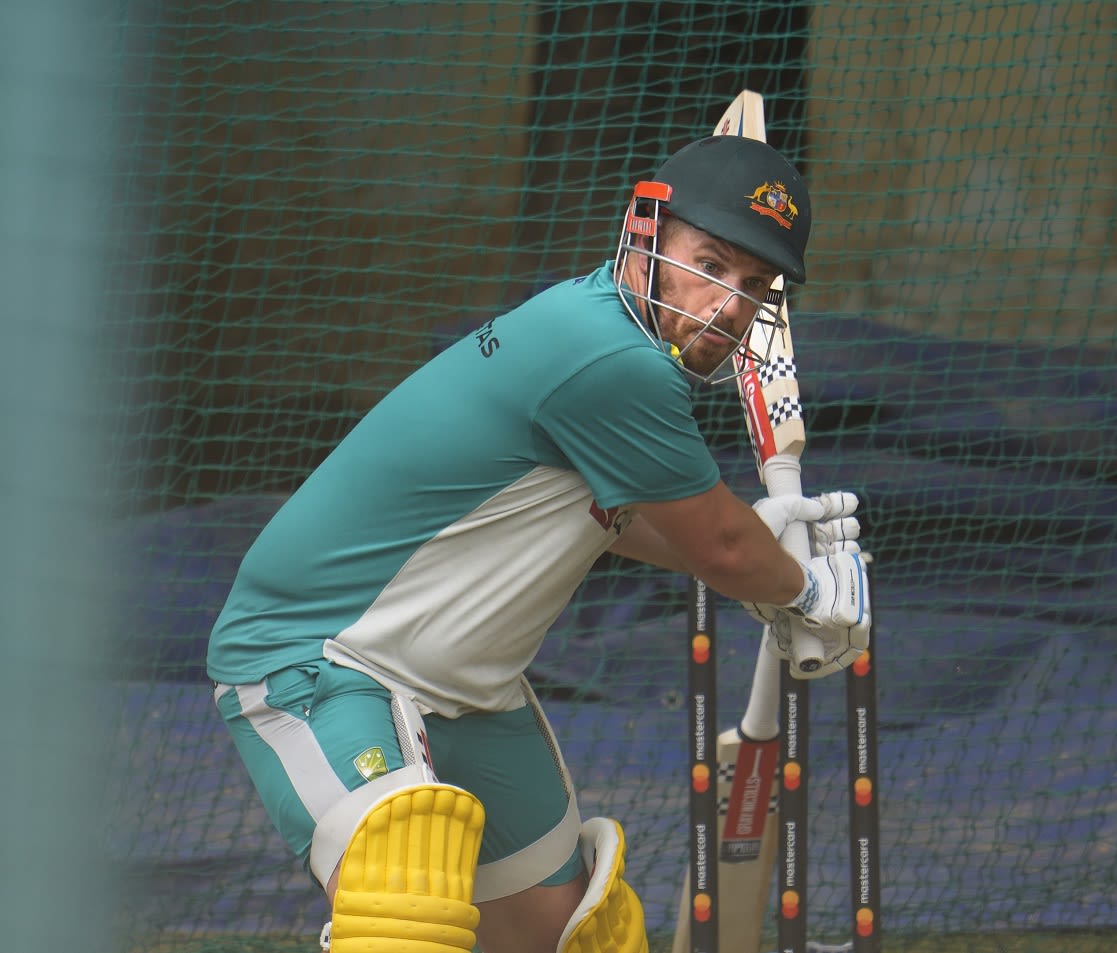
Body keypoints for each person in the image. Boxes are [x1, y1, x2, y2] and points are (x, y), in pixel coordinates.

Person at [206, 134, 872, 953]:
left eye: (753, 285)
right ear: (646, 234)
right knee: (401, 907)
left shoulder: (601, 336)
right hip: (319, 656)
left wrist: (770, 562)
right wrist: (804, 592)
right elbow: (723, 547)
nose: (729, 304)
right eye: (711, 263)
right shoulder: (608, 357)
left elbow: (631, 525)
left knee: (578, 938)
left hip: (469, 689)